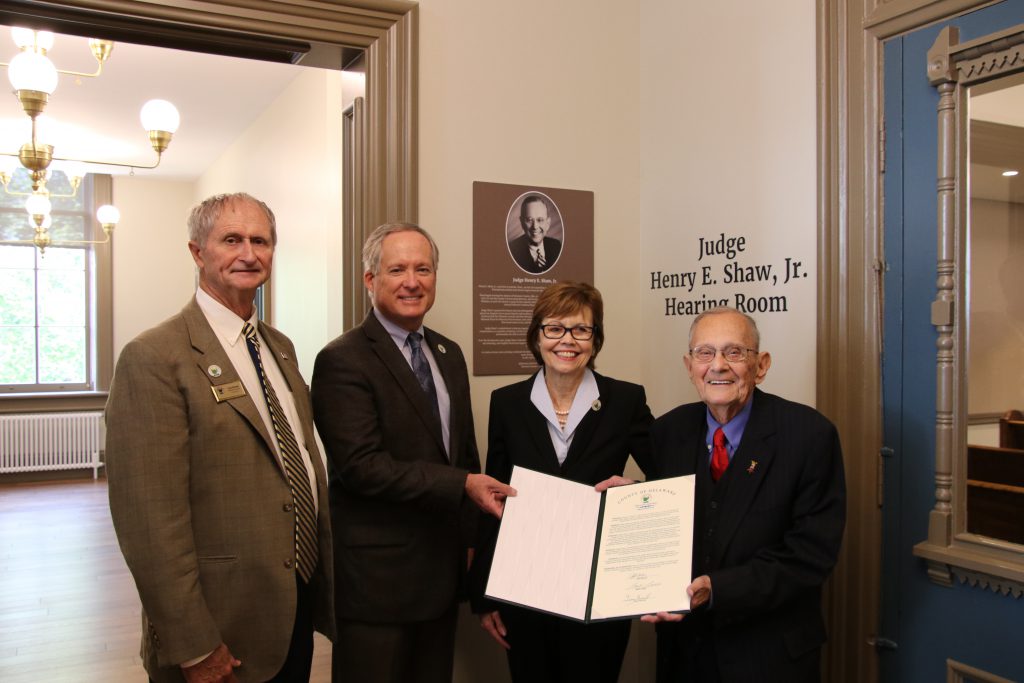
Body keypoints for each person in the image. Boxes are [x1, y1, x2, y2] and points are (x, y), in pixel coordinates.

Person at [105, 192, 335, 683]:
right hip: (217, 630)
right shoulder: (154, 357)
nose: (248, 253)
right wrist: (193, 646)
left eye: (261, 240)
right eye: (231, 240)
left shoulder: (281, 347)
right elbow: (149, 524)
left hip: (289, 607)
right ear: (197, 252)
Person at [311, 222, 516, 683]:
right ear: (370, 279)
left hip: (441, 577)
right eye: (397, 269)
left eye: (423, 269)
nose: (412, 281)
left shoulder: (448, 353)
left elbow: (464, 454)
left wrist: (468, 539)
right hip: (376, 582)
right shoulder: (342, 359)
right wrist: (461, 486)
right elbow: (361, 468)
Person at [644, 307, 846, 682]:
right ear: (690, 366)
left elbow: (810, 556)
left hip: (768, 656)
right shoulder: (668, 432)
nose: (717, 365)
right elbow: (664, 524)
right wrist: (633, 503)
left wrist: (717, 589)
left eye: (734, 352)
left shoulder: (809, 436)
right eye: (705, 353)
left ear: (762, 364)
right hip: (684, 653)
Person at [468, 281, 655, 683]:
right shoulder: (507, 403)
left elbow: (665, 481)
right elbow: (490, 500)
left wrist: (634, 492)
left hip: (600, 587)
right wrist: (483, 595)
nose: (566, 341)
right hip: (525, 583)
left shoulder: (626, 401)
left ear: (595, 339)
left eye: (580, 330)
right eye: (554, 328)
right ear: (537, 336)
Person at [508, 194, 562, 273]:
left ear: (548, 223)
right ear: (522, 222)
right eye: (529, 220)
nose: (535, 226)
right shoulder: (513, 250)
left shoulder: (556, 246)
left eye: (540, 220)